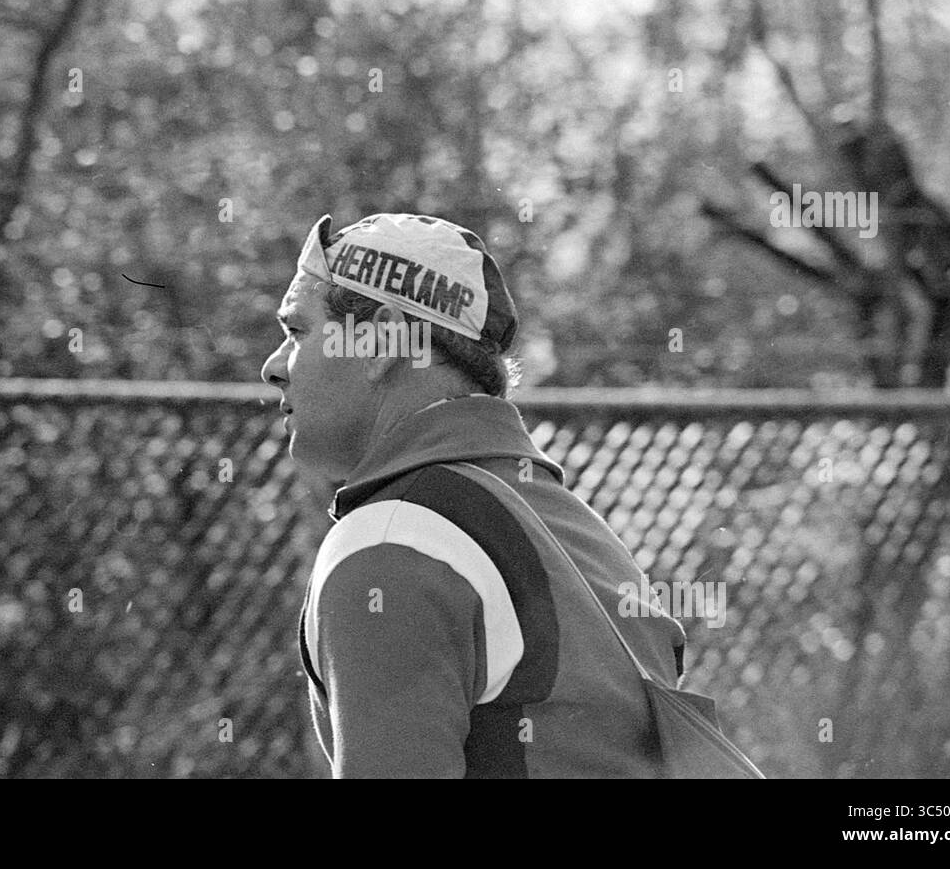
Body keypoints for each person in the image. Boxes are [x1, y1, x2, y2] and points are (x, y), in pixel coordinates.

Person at [260, 212, 687, 778]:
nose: (273, 367)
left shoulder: (392, 540)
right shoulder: (565, 521)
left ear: (380, 341)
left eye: (297, 333)